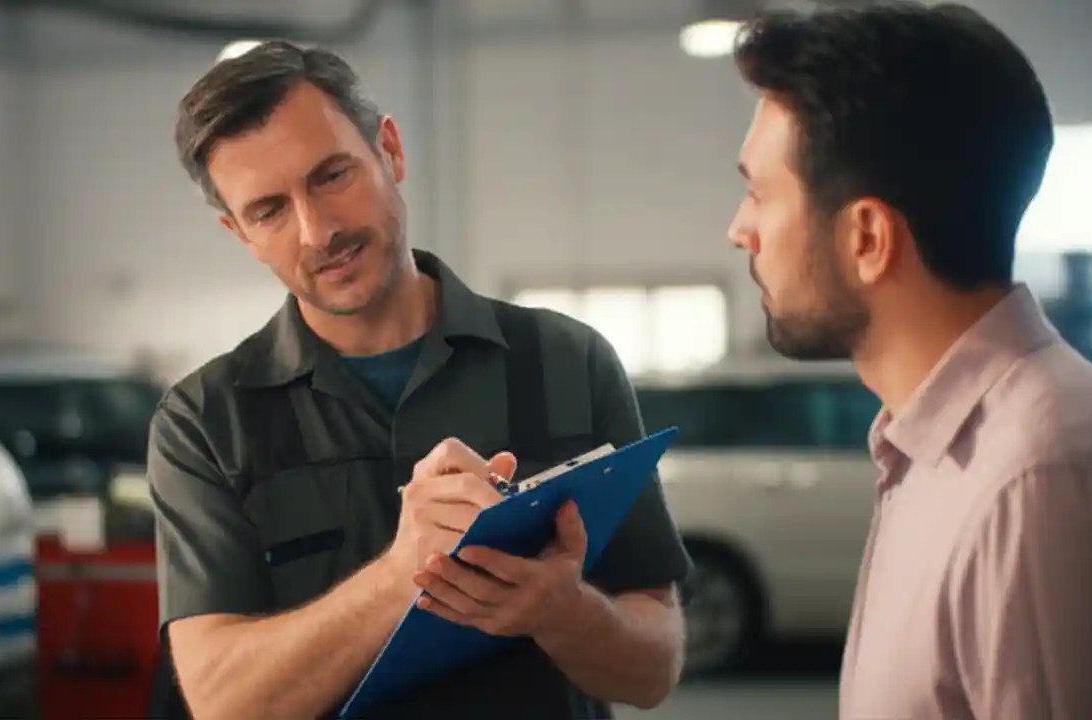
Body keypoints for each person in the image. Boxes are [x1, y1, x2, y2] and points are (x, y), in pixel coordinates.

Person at [147, 40, 691, 719]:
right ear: (240, 233)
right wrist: (400, 573)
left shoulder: (565, 361)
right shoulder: (203, 422)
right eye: (270, 211)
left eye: (331, 176)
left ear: (391, 151)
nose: (317, 232)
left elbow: (653, 670)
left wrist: (565, 612)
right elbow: (223, 703)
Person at [726, 3, 1092, 718]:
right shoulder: (930, 445)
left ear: (869, 237)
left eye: (759, 192)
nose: (740, 230)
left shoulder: (1035, 479)